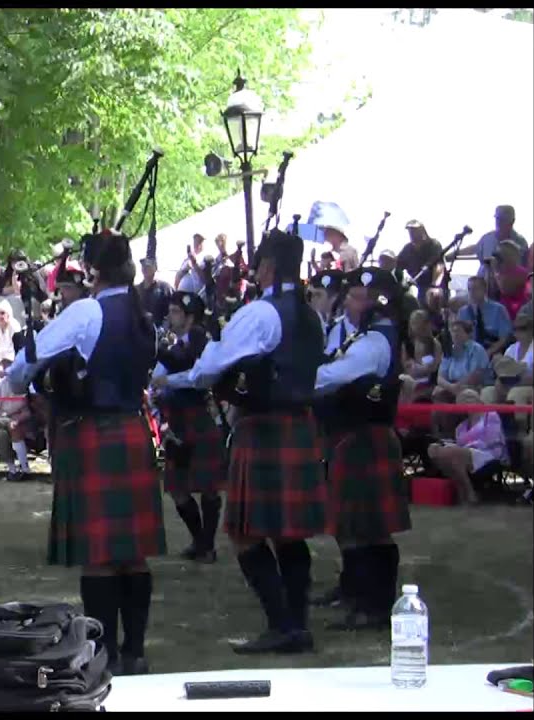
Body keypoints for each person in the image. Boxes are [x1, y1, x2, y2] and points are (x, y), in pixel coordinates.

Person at [154, 227, 325, 655]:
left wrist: (171, 378)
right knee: (289, 534)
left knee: (247, 534)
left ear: (266, 266)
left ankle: (282, 624)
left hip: (263, 427)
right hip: (299, 425)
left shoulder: (260, 314)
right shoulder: (311, 316)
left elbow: (211, 368)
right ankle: (297, 625)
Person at [8, 228, 163, 676]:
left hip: (94, 435)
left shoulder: (86, 314)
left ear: (93, 270)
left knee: (99, 554)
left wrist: (32, 379)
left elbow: (22, 370)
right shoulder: (143, 316)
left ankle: (106, 652)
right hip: (132, 431)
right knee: (132, 553)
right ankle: (134, 650)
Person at [311, 267, 412, 631]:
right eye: (352, 295)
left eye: (361, 297)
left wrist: (295, 380)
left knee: (372, 527)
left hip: (367, 437)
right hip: (345, 436)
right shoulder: (350, 333)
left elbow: (334, 376)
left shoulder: (375, 341)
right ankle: (354, 591)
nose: (354, 302)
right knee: (350, 524)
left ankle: (378, 605)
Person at [155, 292, 224, 564]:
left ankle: (207, 544)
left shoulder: (202, 342)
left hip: (200, 418)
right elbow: (157, 376)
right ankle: (200, 541)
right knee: (176, 487)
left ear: (189, 316)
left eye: (175, 312)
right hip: (177, 420)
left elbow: (199, 378)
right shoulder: (175, 346)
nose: (170, 317)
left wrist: (168, 381)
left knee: (208, 486)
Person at [428, 389, 507, 504]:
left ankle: (468, 492)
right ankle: (463, 490)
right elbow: (459, 445)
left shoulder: (490, 416)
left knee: (453, 453)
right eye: (464, 399)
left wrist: (466, 447)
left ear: (479, 400)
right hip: (464, 455)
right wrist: (447, 445)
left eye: (471, 397)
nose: (468, 400)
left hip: (489, 453)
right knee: (435, 449)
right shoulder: (460, 427)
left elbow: (492, 440)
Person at [461, 205, 529, 281]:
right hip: (484, 285)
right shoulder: (487, 238)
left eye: (503, 219)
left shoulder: (521, 243)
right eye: (497, 219)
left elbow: (524, 269)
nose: (499, 222)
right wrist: (451, 255)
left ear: (512, 221)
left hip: (508, 287)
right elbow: (474, 248)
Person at [458, 276, 513, 357]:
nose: (472, 292)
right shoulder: (463, 312)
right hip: (470, 353)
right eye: (470, 289)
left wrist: (489, 352)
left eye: (476, 288)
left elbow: (504, 338)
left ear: (484, 290)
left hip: (493, 352)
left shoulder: (498, 309)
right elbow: (459, 337)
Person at [397, 221, 445, 304]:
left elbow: (439, 266)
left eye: (415, 230)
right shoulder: (408, 248)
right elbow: (398, 265)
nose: (412, 233)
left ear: (423, 231)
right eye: (410, 231)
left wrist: (434, 286)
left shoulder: (433, 245)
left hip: (434, 286)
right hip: (418, 286)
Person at [137, 258, 174, 331]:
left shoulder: (165, 288)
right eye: (143, 266)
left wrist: (165, 328)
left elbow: (174, 310)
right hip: (140, 333)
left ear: (155, 268)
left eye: (148, 266)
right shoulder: (135, 290)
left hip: (159, 332)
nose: (145, 268)